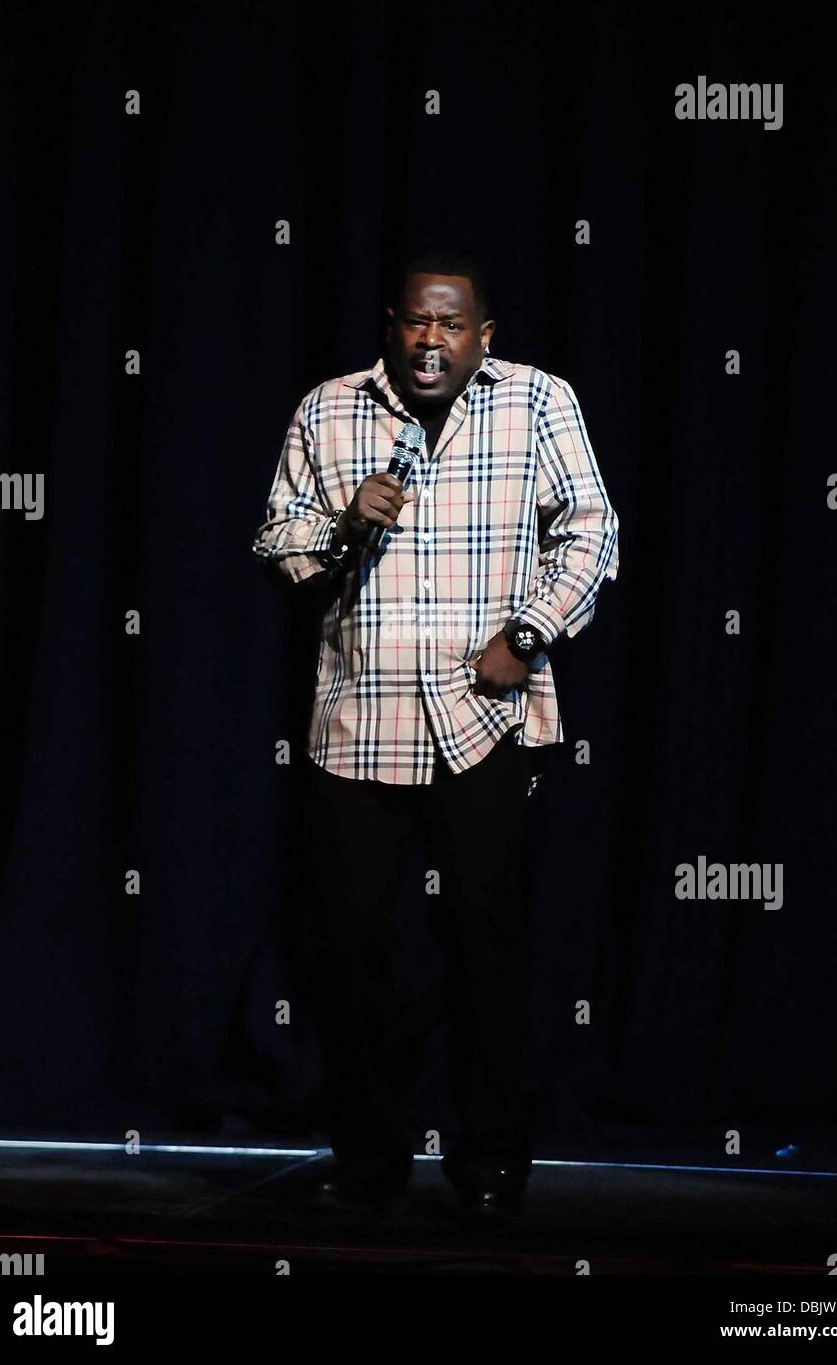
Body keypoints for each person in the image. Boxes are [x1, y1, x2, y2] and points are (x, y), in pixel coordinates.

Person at [251, 250, 619, 1214]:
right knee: (349, 947)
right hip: (361, 724)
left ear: (482, 336)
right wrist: (340, 520)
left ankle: (492, 1157)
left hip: (481, 719)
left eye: (452, 325)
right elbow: (274, 546)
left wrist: (530, 633)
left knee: (487, 946)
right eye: (417, 322)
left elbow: (592, 530)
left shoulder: (537, 401)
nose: (431, 340)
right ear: (392, 326)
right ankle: (370, 1157)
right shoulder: (330, 409)